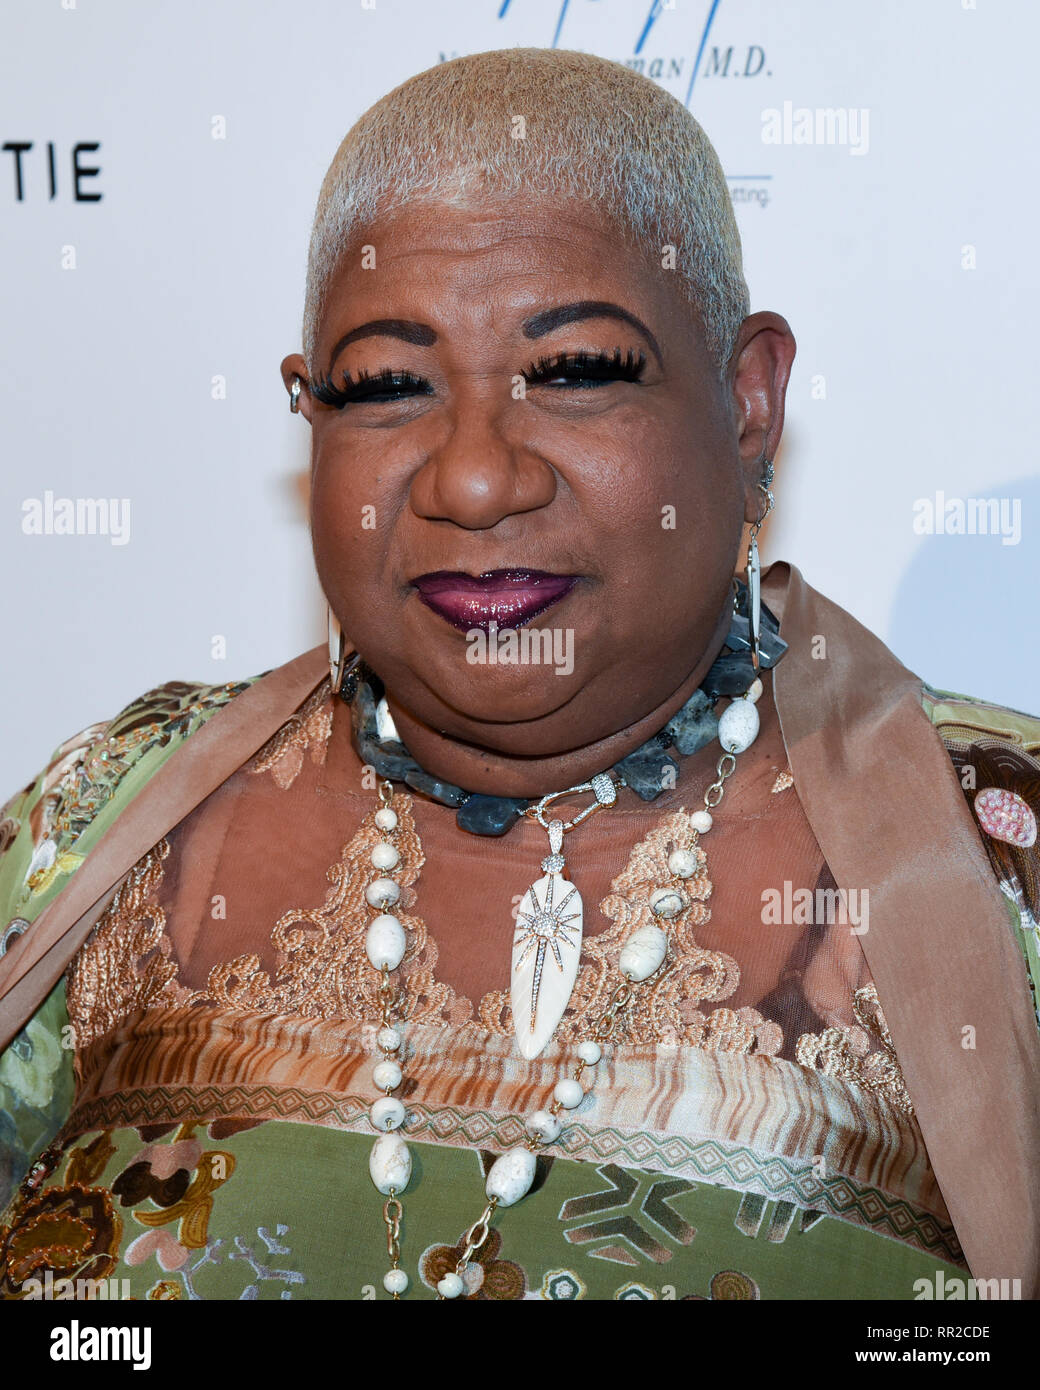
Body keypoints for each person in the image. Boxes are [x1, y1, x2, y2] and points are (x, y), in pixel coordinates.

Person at [0, 47, 1037, 1303]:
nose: (474, 478)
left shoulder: (998, 857)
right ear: (309, 412)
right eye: (387, 386)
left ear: (747, 401)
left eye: (576, 372)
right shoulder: (102, 831)